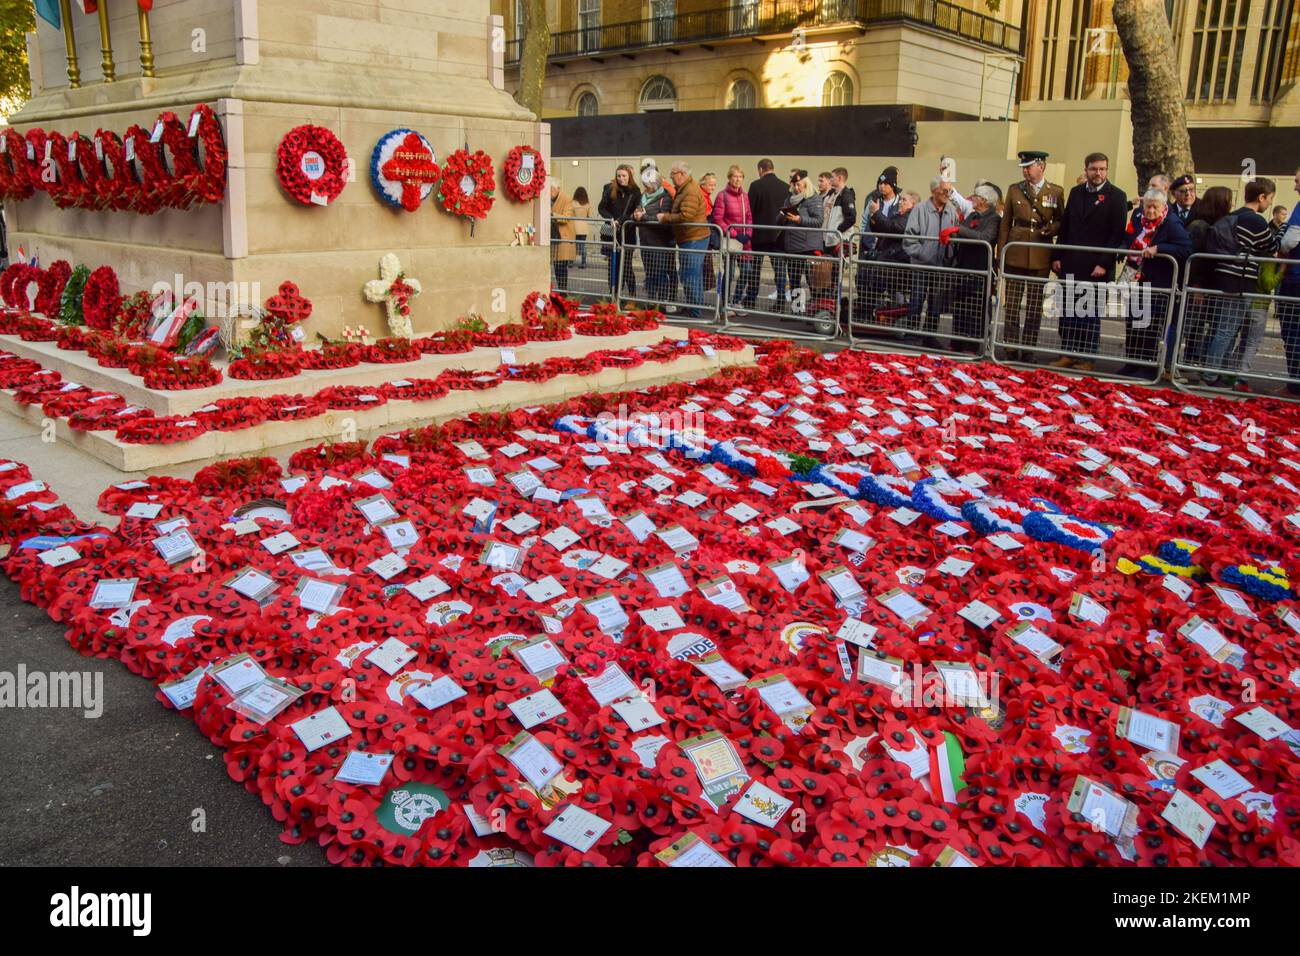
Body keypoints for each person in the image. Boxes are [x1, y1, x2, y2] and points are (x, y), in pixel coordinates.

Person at [1052, 152, 1129, 370]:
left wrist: (1104, 263)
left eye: (1102, 169)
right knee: (1068, 311)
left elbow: (1116, 235)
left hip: (1097, 266)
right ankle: (1068, 353)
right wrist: (1057, 256)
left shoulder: (1117, 196)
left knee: (1089, 314)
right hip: (1072, 262)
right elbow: (1066, 226)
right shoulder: (1076, 193)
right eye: (1094, 169)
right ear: (1086, 169)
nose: (1098, 173)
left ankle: (1087, 358)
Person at [1202, 178, 1280, 384]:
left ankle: (1213, 372)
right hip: (1240, 281)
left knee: (1223, 327)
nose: (1270, 204)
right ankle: (1210, 374)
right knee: (1227, 330)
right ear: (1261, 197)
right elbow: (1272, 246)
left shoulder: (1232, 217)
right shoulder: (1255, 221)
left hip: (1223, 277)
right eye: (1270, 199)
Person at [997, 150, 1065, 360]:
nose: (1025, 171)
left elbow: (1062, 221)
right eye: (1024, 168)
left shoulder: (1055, 191)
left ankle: (1028, 349)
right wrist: (1001, 253)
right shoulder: (1014, 190)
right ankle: (1010, 347)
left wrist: (1052, 229)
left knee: (1035, 306)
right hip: (1016, 251)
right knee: (1013, 304)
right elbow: (1005, 224)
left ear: (1041, 167)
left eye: (1029, 167)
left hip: (1040, 253)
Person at [1118, 187, 1191, 375]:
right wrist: (1124, 247)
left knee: (1148, 325)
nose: (1150, 211)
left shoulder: (1172, 223)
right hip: (1135, 274)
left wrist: (1159, 248)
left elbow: (1185, 248)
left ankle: (1147, 366)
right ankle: (1131, 362)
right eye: (1147, 207)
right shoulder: (1137, 217)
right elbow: (1128, 236)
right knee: (1133, 322)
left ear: (1163, 206)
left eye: (1154, 208)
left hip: (1158, 280)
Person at [902, 177, 962, 349]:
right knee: (917, 298)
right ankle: (912, 332)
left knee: (936, 302)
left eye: (950, 191)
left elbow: (956, 238)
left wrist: (951, 257)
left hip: (942, 265)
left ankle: (930, 335)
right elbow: (909, 238)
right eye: (945, 191)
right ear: (934, 191)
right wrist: (923, 254)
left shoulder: (951, 211)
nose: (948, 194)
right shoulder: (920, 210)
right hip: (922, 264)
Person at [1180, 185, 1233, 367]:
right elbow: (1195, 260)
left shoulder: (1213, 225)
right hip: (1198, 284)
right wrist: (1197, 285)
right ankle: (1171, 361)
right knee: (1186, 323)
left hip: (1208, 283)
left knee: (1199, 324)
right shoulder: (1200, 226)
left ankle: (1191, 358)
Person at [950, 183, 1002, 350]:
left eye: (975, 196)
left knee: (977, 307)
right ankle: (956, 340)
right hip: (964, 265)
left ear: (984, 200)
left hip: (981, 268)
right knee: (960, 305)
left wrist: (960, 230)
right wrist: (953, 232)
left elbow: (985, 237)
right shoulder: (972, 216)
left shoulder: (993, 218)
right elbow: (962, 230)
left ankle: (973, 343)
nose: (972, 198)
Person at [657, 161, 710, 319]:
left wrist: (665, 217)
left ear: (681, 174)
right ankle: (693, 307)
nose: (671, 177)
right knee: (693, 274)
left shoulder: (690, 191)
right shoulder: (685, 188)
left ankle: (695, 311)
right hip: (692, 236)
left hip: (693, 237)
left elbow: (686, 215)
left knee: (689, 274)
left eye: (673, 173)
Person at [745, 158, 791, 310]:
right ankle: (780, 302)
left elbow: (750, 211)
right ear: (772, 168)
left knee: (754, 270)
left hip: (759, 236)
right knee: (779, 271)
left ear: (760, 170)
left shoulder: (756, 186)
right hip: (778, 236)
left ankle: (751, 299)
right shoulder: (785, 187)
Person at [780, 171, 826, 309]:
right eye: (794, 185)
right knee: (794, 281)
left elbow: (818, 221)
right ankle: (797, 309)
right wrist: (782, 215)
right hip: (792, 246)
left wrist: (800, 219)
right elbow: (779, 221)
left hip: (808, 247)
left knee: (812, 280)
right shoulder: (789, 199)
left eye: (799, 185)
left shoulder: (814, 198)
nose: (796, 188)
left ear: (806, 184)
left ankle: (817, 309)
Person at [711, 165, 754, 313]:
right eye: (735, 176)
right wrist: (735, 233)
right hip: (731, 240)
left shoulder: (745, 196)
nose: (738, 179)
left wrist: (748, 233)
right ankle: (725, 304)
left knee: (747, 271)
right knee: (728, 274)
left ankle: (736, 301)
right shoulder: (722, 196)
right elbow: (718, 219)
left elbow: (749, 217)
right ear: (729, 178)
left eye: (740, 176)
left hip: (745, 241)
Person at [631, 169, 674, 304]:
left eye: (647, 185)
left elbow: (663, 220)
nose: (645, 188)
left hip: (659, 242)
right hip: (645, 241)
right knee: (649, 272)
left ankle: (660, 302)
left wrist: (644, 217)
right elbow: (637, 213)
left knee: (660, 273)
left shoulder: (665, 198)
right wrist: (635, 216)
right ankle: (651, 300)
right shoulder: (643, 197)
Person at [599, 164, 641, 297]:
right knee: (613, 265)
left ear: (630, 176)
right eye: (619, 176)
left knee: (626, 265)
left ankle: (632, 294)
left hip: (627, 233)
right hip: (611, 234)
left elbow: (636, 211)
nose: (621, 178)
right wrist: (611, 219)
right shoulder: (609, 188)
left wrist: (621, 220)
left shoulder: (635, 191)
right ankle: (614, 294)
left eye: (624, 176)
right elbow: (602, 208)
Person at [1276, 168, 1300, 395]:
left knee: (1292, 332)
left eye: (1297, 182)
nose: (1294, 186)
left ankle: (1295, 383)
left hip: (1295, 279)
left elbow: (1290, 241)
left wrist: (1281, 250)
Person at [550, 179, 576, 291]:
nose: (549, 191)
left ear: (558, 188)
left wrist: (552, 214)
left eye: (552, 188)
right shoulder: (548, 199)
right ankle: (561, 291)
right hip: (554, 236)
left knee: (561, 266)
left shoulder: (567, 199)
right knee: (557, 266)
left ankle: (563, 291)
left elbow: (566, 217)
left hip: (563, 237)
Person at [571, 186, 592, 268]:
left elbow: (570, 214)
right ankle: (583, 262)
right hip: (584, 227)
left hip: (574, 226)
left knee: (573, 245)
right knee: (582, 245)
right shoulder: (587, 204)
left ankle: (571, 262)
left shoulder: (572, 203)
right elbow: (589, 216)